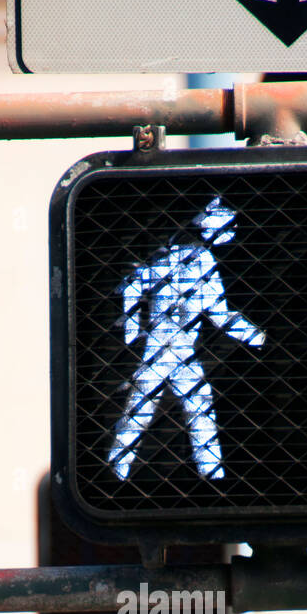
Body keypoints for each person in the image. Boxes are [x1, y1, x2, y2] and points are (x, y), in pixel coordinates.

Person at [108, 198, 266, 482]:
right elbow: (219, 314)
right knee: (163, 411)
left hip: (174, 349)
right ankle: (119, 470)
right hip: (164, 346)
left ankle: (210, 474)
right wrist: (131, 333)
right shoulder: (178, 257)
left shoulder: (179, 257)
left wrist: (254, 334)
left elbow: (132, 285)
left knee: (176, 409)